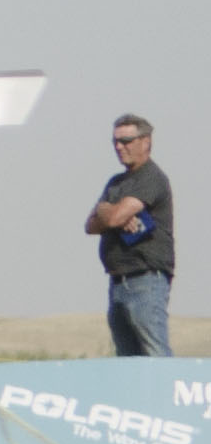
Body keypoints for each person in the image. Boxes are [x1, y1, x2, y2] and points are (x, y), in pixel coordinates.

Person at [84, 114, 174, 356]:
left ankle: (164, 394)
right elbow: (91, 225)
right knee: (128, 360)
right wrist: (108, 211)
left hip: (145, 280)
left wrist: (108, 212)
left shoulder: (151, 178)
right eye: (115, 142)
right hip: (118, 281)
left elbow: (111, 219)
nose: (119, 147)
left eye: (126, 141)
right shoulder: (116, 183)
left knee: (155, 354)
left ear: (145, 141)